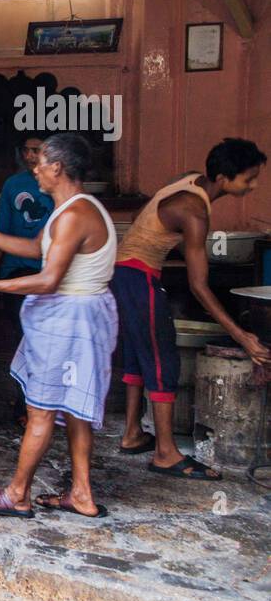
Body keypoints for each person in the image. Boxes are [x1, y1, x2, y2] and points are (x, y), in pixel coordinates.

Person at [0, 133, 119, 519]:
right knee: (75, 410)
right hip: (81, 317)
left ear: (58, 167)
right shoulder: (69, 210)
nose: (35, 168)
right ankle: (81, 494)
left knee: (40, 411)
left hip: (71, 320)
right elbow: (33, 249)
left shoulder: (76, 214)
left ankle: (17, 494)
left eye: (40, 161)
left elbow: (48, 280)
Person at [112, 138, 269, 480]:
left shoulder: (191, 179)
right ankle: (166, 453)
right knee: (163, 359)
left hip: (124, 274)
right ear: (225, 177)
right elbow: (199, 286)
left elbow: (144, 216)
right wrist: (243, 337)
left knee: (140, 354)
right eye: (249, 178)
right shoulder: (194, 211)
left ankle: (132, 434)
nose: (253, 185)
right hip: (139, 277)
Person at [0, 133, 54, 423]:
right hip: (15, 271)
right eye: (26, 150)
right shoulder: (13, 185)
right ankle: (24, 403)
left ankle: (39, 404)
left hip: (47, 273)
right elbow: (1, 233)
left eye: (36, 150)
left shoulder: (57, 188)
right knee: (22, 340)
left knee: (42, 343)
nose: (30, 156)